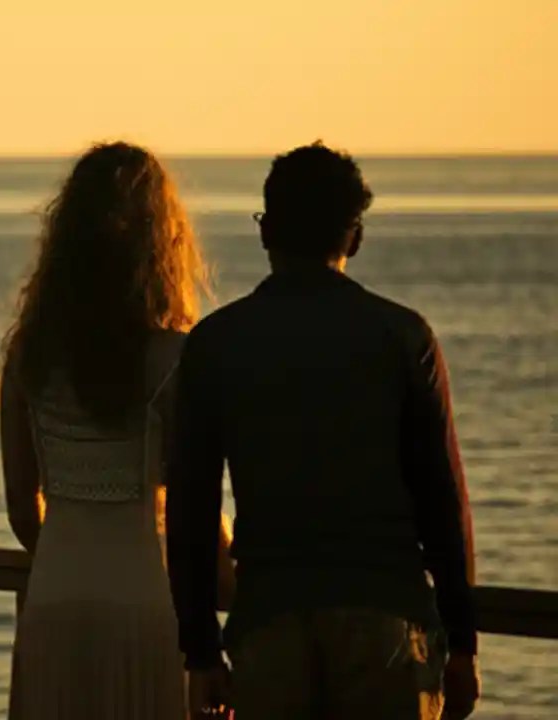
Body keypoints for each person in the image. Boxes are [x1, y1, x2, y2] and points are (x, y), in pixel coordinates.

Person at [166, 141, 480, 720]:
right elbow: (443, 501)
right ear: (354, 237)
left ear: (265, 233)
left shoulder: (218, 344)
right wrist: (462, 641)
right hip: (386, 619)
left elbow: (192, 505)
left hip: (269, 624)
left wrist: (200, 651)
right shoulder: (402, 338)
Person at [0, 142, 230, 720]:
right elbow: (193, 512)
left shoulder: (29, 358)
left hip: (53, 596)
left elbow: (22, 511)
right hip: (143, 601)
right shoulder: (177, 360)